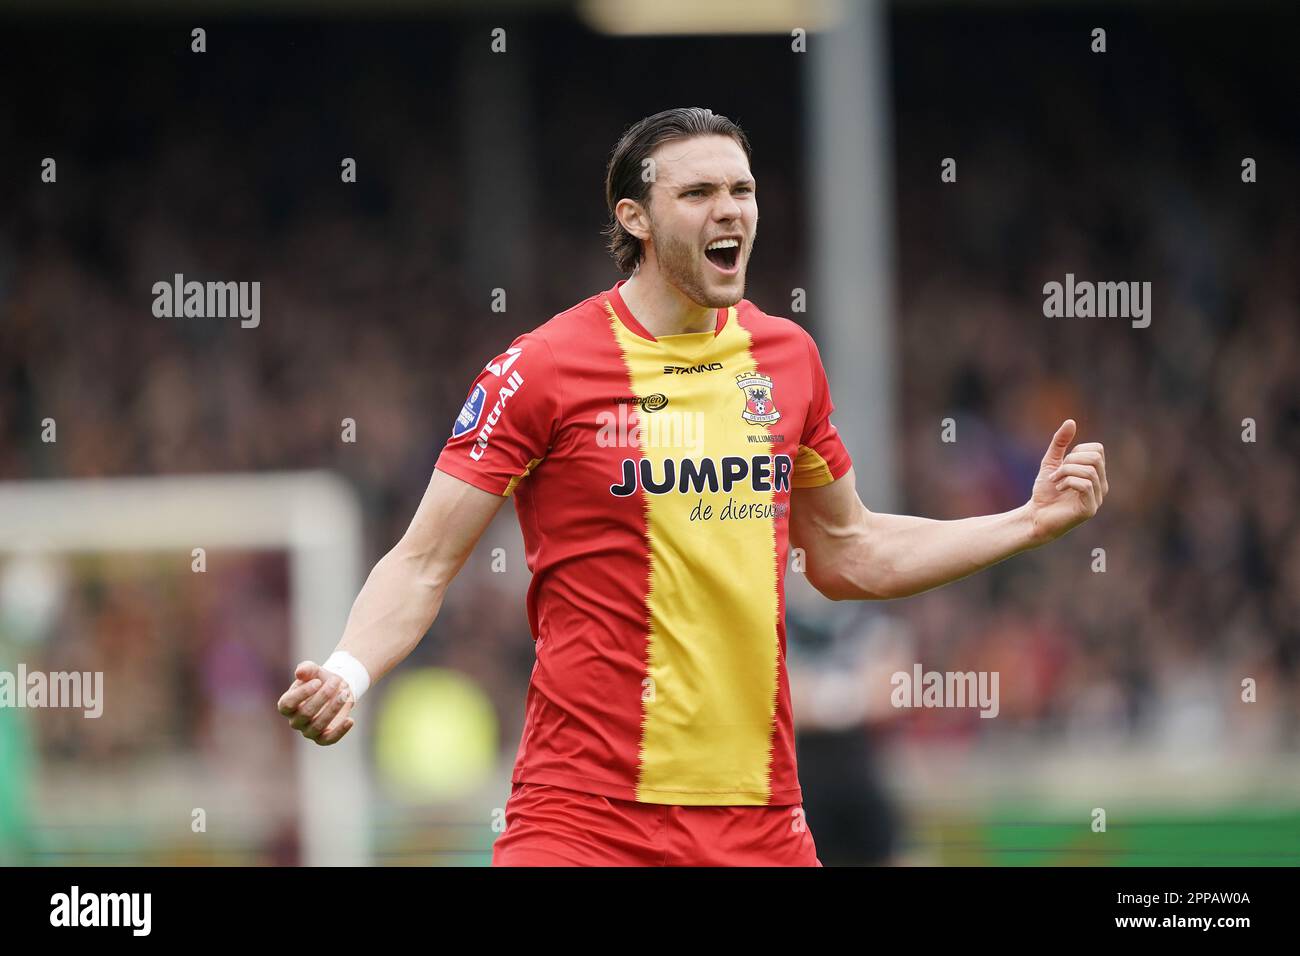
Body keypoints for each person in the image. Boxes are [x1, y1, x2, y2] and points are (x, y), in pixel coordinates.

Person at [276, 106, 1108, 866]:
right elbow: (422, 563)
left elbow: (849, 550)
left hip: (759, 819)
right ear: (634, 219)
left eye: (742, 190)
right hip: (582, 820)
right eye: (700, 191)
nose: (731, 210)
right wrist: (348, 672)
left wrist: (1026, 523)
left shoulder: (786, 360)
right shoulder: (541, 370)